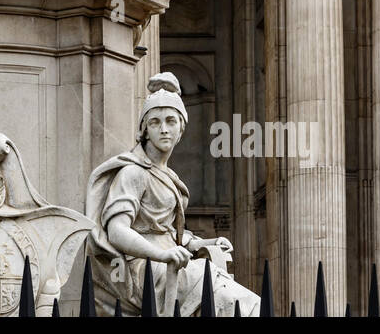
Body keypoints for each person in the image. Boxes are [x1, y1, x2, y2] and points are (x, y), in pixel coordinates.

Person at [86, 72, 261, 316]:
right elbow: (116, 230)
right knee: (239, 304)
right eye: (155, 122)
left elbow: (169, 232)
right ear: (145, 130)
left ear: (181, 129)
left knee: (249, 304)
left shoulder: (171, 178)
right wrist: (162, 254)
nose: (164, 129)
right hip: (145, 267)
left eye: (171, 121)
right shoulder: (133, 173)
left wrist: (201, 243)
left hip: (173, 260)